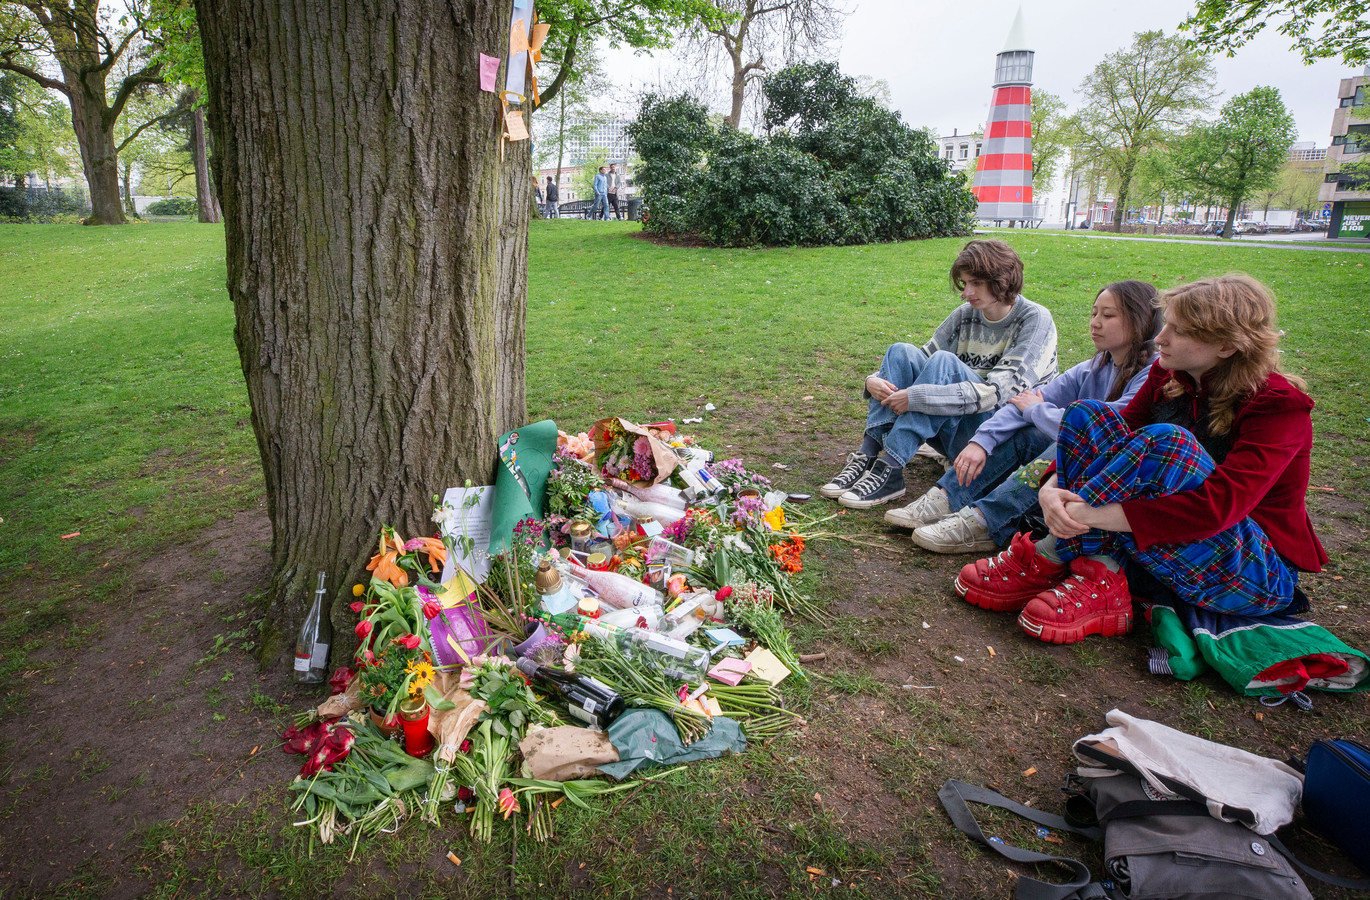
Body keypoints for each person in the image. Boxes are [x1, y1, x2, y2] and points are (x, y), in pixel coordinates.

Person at [954, 274, 1325, 646]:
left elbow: (1217, 508)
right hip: (1168, 540)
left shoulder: (1279, 405)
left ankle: (1069, 560)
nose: (1160, 337)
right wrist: (1051, 490)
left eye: (1177, 331)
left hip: (1253, 567)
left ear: (1227, 345)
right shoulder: (1169, 373)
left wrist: (1083, 515)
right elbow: (1110, 442)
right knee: (1089, 417)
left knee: (1169, 442)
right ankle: (1087, 571)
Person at [898, 281, 1161, 554]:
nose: (1095, 323)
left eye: (1108, 316)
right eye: (1094, 313)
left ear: (1140, 321)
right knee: (1027, 433)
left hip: (1110, 484)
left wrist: (1035, 410)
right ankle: (945, 497)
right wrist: (981, 441)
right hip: (1071, 475)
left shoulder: (1152, 373)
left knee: (1057, 445)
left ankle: (983, 522)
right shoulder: (1094, 367)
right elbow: (1021, 402)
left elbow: (1097, 428)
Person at [819, 240, 1058, 509]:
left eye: (975, 283)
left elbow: (998, 394)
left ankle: (892, 467)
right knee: (900, 352)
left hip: (995, 439)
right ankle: (868, 455)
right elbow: (920, 359)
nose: (967, 292)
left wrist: (918, 397)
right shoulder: (966, 315)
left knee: (944, 363)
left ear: (1001, 280)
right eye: (964, 283)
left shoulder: (1035, 320)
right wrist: (872, 380)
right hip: (958, 424)